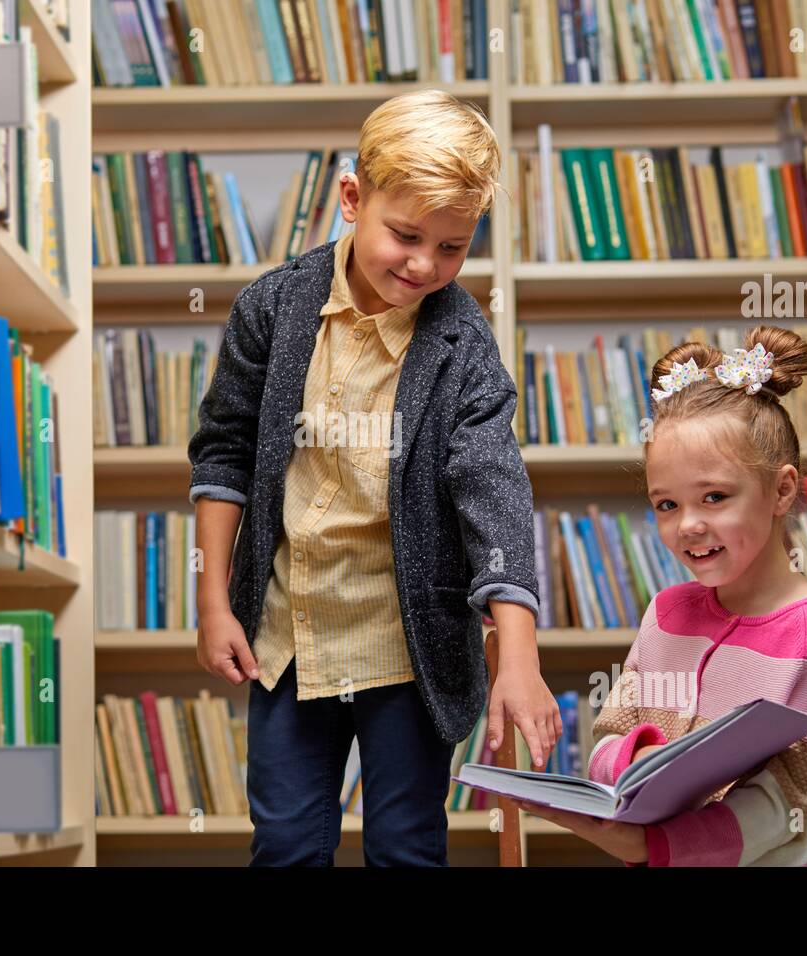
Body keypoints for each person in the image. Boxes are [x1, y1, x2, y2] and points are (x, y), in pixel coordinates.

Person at [189, 89, 559, 866]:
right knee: (287, 845)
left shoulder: (463, 340)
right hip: (289, 638)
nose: (426, 264)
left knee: (407, 848)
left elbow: (491, 483)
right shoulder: (272, 307)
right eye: (406, 235)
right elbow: (223, 451)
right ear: (353, 199)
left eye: (453, 247)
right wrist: (213, 602)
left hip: (408, 648)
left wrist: (517, 657)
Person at [512, 326, 807, 866]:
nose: (688, 526)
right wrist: (638, 757)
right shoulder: (667, 613)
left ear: (783, 490)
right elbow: (607, 739)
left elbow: (792, 795)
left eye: (714, 497)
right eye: (666, 504)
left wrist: (659, 846)